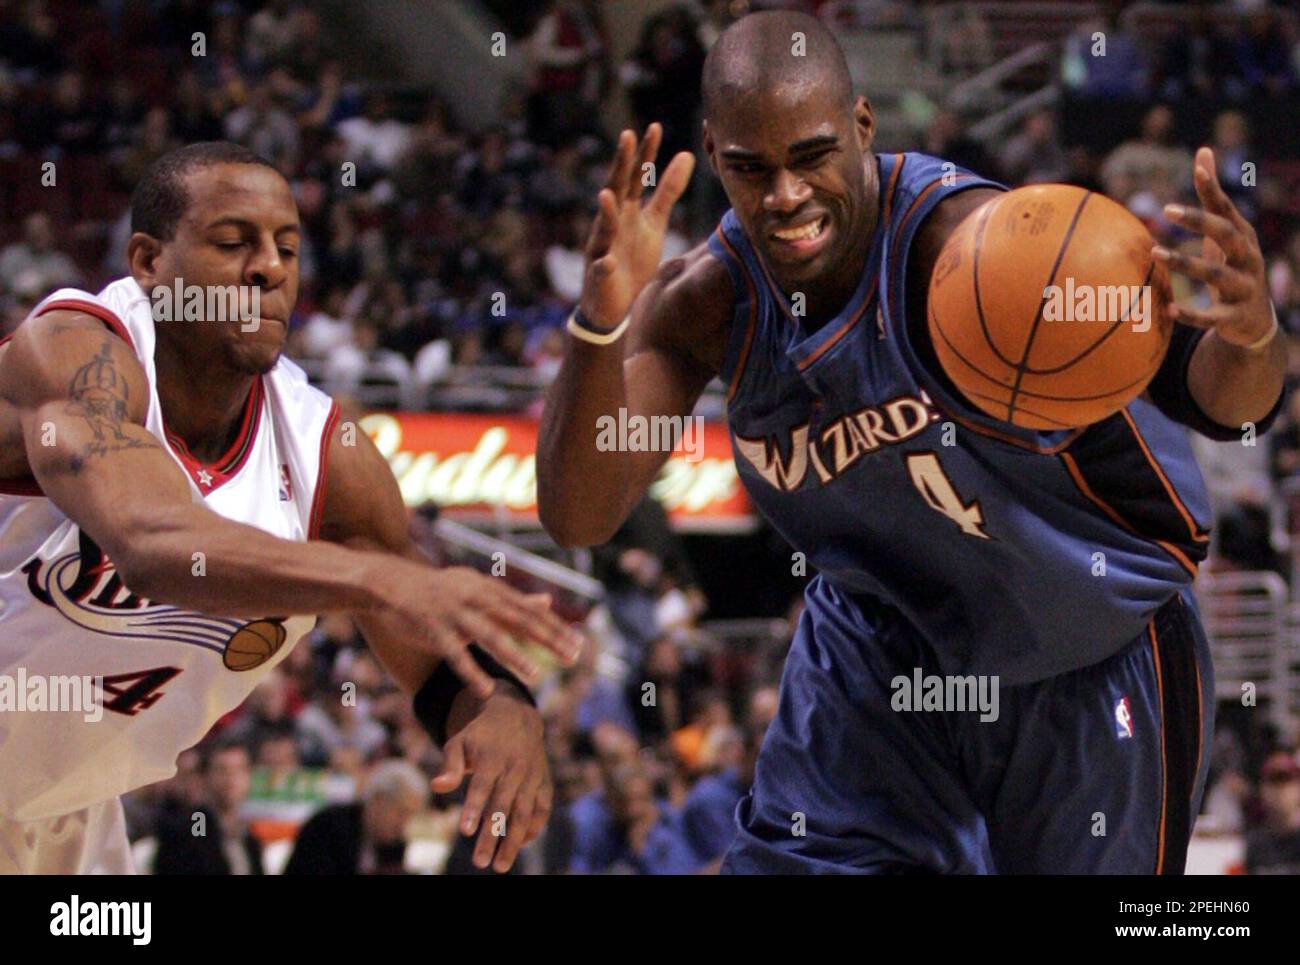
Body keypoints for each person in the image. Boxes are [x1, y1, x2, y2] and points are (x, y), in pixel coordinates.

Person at [537, 11, 1286, 874]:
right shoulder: (707, 301)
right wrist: (597, 325)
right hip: (877, 653)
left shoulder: (977, 250)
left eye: (811, 155)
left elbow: (1222, 401)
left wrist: (1253, 339)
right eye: (751, 168)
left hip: (1086, 641)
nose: (783, 195)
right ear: (714, 155)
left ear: (862, 126)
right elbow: (579, 513)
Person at [0, 141, 583, 874]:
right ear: (148, 262)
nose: (269, 268)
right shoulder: (76, 351)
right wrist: (370, 578)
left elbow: (436, 665)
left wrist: (502, 705)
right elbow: (150, 541)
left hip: (60, 813)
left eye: (286, 247)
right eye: (232, 242)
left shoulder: (325, 452)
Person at [283, 759, 427, 875]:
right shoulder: (327, 828)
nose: (404, 823)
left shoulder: (395, 843)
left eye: (411, 815)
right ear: (378, 801)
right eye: (401, 812)